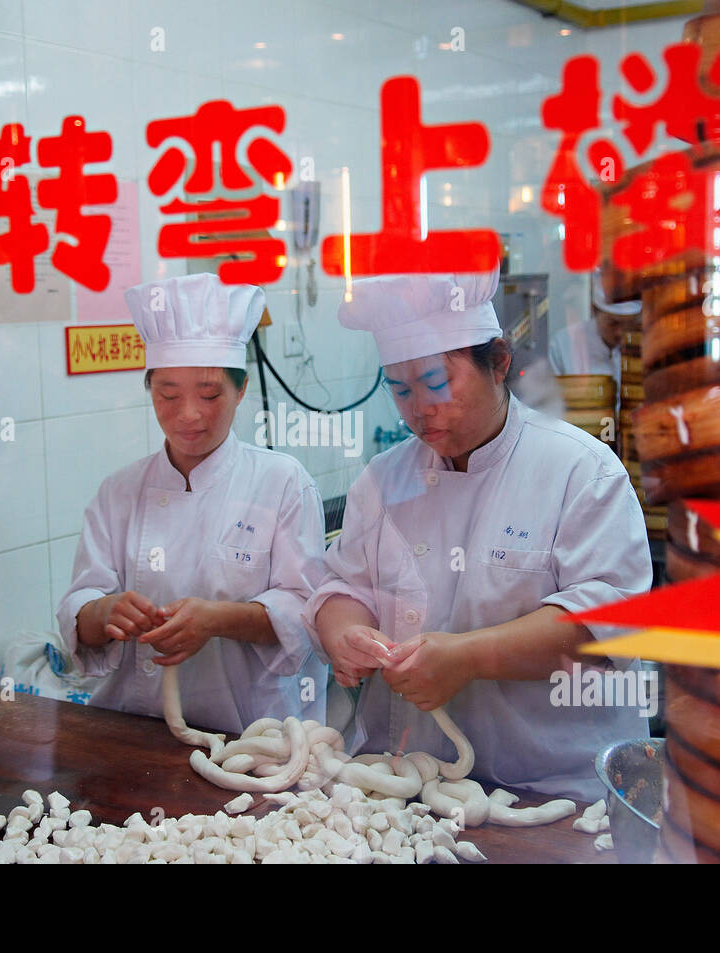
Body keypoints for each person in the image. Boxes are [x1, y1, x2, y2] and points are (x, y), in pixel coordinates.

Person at [306, 271, 651, 801]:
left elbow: (606, 621)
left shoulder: (579, 470)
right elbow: (341, 588)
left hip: (551, 789)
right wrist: (343, 632)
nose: (418, 407)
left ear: (500, 362)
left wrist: (468, 658)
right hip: (404, 787)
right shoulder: (382, 479)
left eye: (436, 382)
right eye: (399, 387)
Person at [53, 273, 328, 733]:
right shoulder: (119, 491)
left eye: (209, 394)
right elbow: (80, 603)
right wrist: (103, 613)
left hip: (249, 740)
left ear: (241, 390)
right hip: (131, 731)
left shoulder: (282, 483)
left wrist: (218, 620)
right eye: (168, 394)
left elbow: (306, 614)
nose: (188, 414)